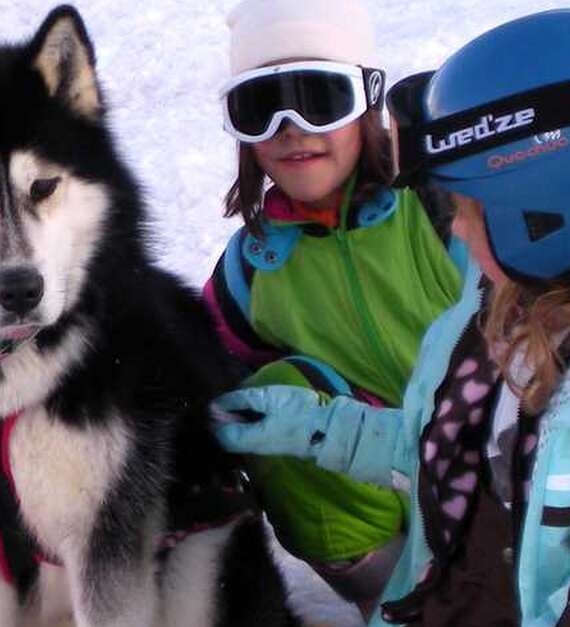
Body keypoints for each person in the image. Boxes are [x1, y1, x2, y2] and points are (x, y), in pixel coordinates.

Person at [215, 8, 570, 625]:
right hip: (433, 563)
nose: (456, 223)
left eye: (474, 207)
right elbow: (440, 444)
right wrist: (312, 427)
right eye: (260, 108)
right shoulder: (485, 327)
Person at [203, 0, 466, 614]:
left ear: (368, 100)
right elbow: (195, 377)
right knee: (266, 396)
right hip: (379, 510)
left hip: (498, 478)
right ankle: (403, 605)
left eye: (320, 98)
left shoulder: (443, 212)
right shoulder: (253, 265)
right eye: (260, 108)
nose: (291, 128)